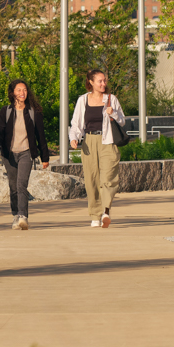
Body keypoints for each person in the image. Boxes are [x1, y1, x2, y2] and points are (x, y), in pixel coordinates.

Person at [67, 68, 128, 228]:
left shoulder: (111, 99)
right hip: (89, 141)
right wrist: (74, 138)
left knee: (109, 178)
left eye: (104, 80)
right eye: (100, 81)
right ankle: (95, 215)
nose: (103, 83)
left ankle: (106, 211)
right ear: (91, 82)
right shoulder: (82, 100)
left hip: (108, 141)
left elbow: (122, 121)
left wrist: (113, 113)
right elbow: (76, 123)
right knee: (91, 180)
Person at [0, 79, 49, 230]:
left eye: (24, 90)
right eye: (19, 90)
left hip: (26, 153)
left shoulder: (33, 112)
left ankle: (23, 216)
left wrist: (45, 157)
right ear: (12, 93)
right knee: (13, 186)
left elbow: (40, 136)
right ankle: (16, 215)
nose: (22, 93)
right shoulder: (6, 111)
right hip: (9, 154)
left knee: (21, 184)